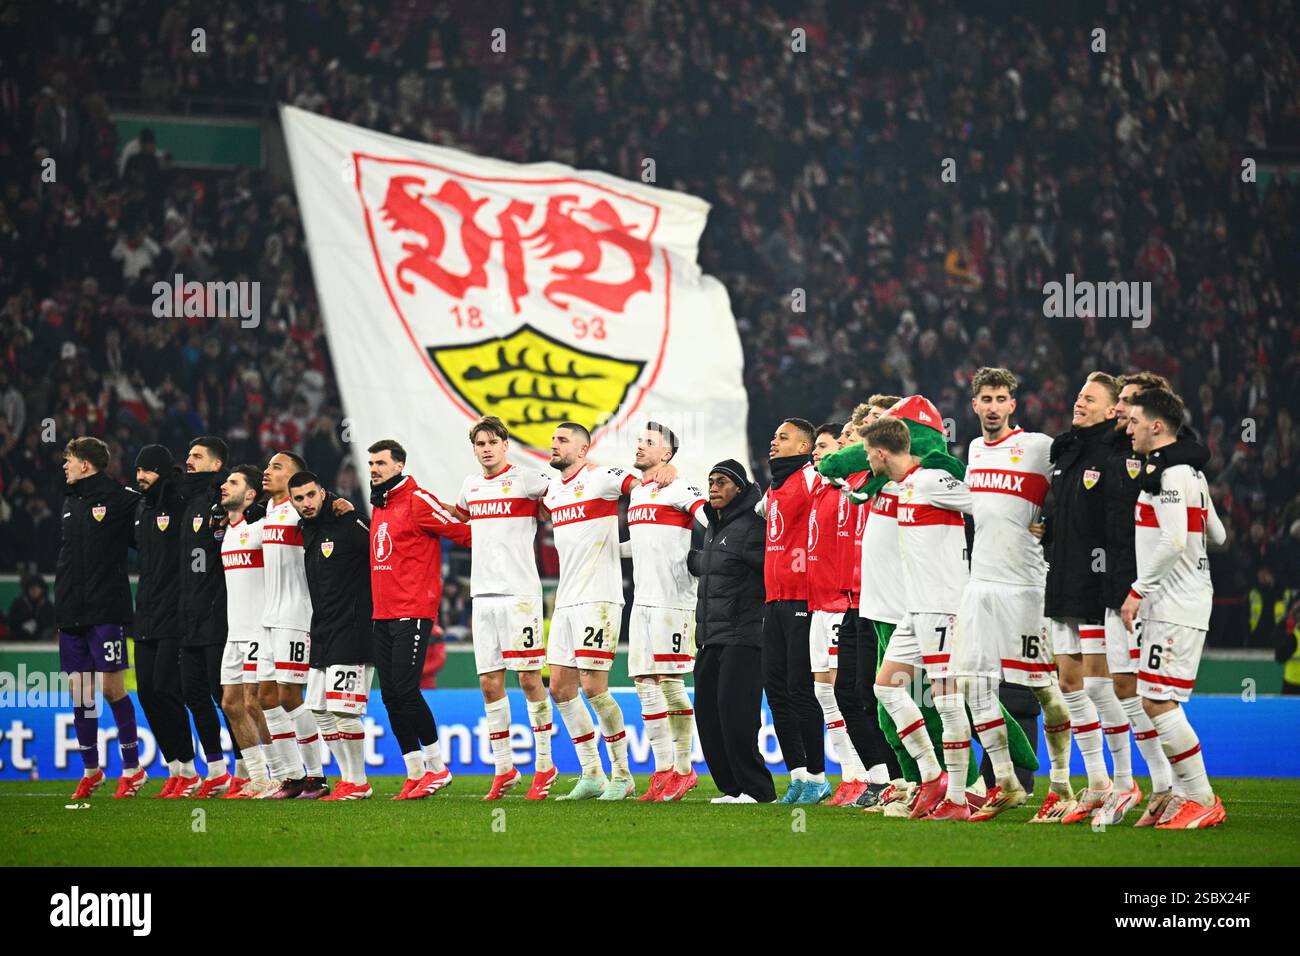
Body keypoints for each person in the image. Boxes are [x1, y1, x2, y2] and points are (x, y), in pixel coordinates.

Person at [954, 368, 1071, 820]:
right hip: (980, 583)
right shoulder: (974, 450)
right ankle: (1005, 781)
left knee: (1041, 687)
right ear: (975, 405)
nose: (993, 407)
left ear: (1012, 405)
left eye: (1001, 398)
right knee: (972, 682)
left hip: (1025, 586)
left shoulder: (1038, 447)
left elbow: (1076, 486)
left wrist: (1054, 525)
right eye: (985, 398)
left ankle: (1061, 783)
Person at [1120, 387, 1227, 828]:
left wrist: (1138, 590)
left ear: (1157, 426)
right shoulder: (1191, 475)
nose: (1128, 429)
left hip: (1173, 604)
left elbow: (1175, 539)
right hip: (1184, 599)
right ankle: (1184, 795)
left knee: (1157, 701)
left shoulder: (1171, 473)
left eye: (1135, 422)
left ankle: (1201, 797)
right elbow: (1218, 535)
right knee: (1157, 699)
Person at [863, 407, 976, 820]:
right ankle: (931, 775)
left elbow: (982, 502)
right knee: (887, 688)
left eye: (867, 452)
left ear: (880, 453)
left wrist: (1033, 525)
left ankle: (958, 798)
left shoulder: (931, 480)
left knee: (947, 701)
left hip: (943, 607)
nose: (866, 460)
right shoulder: (905, 486)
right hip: (915, 609)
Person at [1097, 372, 1193, 826]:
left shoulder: (1170, 462)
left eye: (1131, 404)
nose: (1123, 412)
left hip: (1153, 589)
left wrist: (1141, 586)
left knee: (1154, 692)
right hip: (1115, 580)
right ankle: (1162, 784)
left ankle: (1181, 788)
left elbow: (1178, 536)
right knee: (1124, 686)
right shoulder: (1114, 449)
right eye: (1121, 403)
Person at [450, 416, 558, 800]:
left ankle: (544, 766)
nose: (486, 449)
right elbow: (458, 518)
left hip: (519, 595)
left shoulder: (527, 479)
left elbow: (563, 493)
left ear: (505, 444)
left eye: (492, 442)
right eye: (480, 443)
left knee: (529, 679)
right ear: (474, 448)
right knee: (489, 683)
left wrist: (547, 510)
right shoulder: (470, 486)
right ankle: (504, 768)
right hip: (482, 596)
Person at [1040, 372, 1126, 824]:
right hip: (1063, 581)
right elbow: (1063, 512)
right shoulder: (1066, 451)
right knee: (1071, 685)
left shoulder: (1116, 454)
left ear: (1112, 409)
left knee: (1099, 685)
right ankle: (1098, 782)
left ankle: (1126, 781)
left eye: (1090, 399)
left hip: (1096, 586)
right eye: (1079, 396)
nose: (1080, 403)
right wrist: (1048, 530)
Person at [367, 439, 472, 801]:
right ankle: (414, 772)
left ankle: (438, 768)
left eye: (381, 463)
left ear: (399, 465)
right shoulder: (380, 504)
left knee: (407, 690)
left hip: (412, 610)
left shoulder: (417, 500)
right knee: (390, 696)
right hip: (382, 612)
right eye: (371, 463)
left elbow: (464, 533)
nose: (374, 469)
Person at [542, 422, 640, 800]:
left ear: (583, 450)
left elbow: (638, 486)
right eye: (553, 440)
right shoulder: (553, 490)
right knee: (560, 688)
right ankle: (592, 773)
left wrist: (665, 472)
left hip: (599, 598)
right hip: (566, 599)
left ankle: (623, 775)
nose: (554, 445)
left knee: (594, 688)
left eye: (563, 440)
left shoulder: (601, 478)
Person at [623, 422, 707, 802]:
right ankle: (662, 771)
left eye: (650, 442)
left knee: (671, 684)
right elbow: (640, 544)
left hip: (674, 601)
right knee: (645, 683)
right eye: (639, 441)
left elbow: (711, 519)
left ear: (667, 454)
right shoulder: (639, 494)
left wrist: (709, 557)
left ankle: (685, 770)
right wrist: (602, 548)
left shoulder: (681, 486)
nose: (640, 446)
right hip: (642, 601)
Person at [57, 437, 145, 799]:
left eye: (69, 459)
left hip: (107, 609)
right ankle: (91, 771)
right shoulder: (70, 502)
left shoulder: (122, 499)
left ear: (85, 464)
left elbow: (147, 538)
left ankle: (132, 769)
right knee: (80, 693)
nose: (65, 466)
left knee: (111, 689)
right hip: (71, 613)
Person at [688, 460, 775, 804]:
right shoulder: (714, 527)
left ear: (739, 488)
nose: (713, 487)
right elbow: (717, 567)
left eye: (721, 481)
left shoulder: (754, 526)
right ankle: (733, 788)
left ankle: (758, 789)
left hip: (743, 636)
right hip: (710, 637)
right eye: (710, 481)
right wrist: (693, 560)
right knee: (708, 715)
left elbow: (771, 571)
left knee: (737, 715)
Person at [291, 471, 376, 801]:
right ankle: (347, 778)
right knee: (319, 710)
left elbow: (381, 552)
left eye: (311, 495)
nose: (306, 503)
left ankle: (359, 781)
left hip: (353, 630)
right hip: (323, 631)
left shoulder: (349, 522)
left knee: (344, 711)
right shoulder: (308, 529)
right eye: (299, 498)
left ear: (323, 493)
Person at [757, 417, 827, 803]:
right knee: (777, 690)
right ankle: (798, 775)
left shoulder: (812, 477)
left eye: (782, 437)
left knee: (800, 689)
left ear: (804, 447)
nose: (774, 441)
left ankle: (818, 776)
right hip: (774, 600)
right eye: (773, 435)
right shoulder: (775, 485)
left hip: (803, 599)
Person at [806, 422, 870, 804]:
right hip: (818, 603)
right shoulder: (821, 488)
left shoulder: (853, 489)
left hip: (840, 602)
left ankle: (863, 774)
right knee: (822, 690)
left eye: (825, 446)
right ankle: (850, 775)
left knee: (841, 689)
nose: (817, 452)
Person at [259, 451, 328, 800]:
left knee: (289, 695)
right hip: (268, 617)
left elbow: (328, 512)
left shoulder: (301, 510)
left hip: (295, 615)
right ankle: (291, 775)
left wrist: (337, 503)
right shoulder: (269, 511)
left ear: (295, 478)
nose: (267, 471)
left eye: (277, 467)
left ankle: (316, 776)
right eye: (268, 465)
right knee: (266, 697)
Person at [177, 436, 243, 798]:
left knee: (225, 697)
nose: (189, 460)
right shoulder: (187, 502)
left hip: (219, 617)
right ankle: (216, 770)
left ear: (216, 464)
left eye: (196, 456)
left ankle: (246, 767)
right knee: (192, 693)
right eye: (189, 454)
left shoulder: (226, 501)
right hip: (189, 617)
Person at [132, 444, 199, 798]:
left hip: (174, 615)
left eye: (147, 470)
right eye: (137, 471)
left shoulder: (181, 501)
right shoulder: (141, 509)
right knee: (146, 692)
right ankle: (174, 767)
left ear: (162, 470)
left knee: (166, 689)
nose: (140, 477)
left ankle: (189, 769)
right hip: (145, 613)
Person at [218, 465, 278, 799]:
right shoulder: (227, 531)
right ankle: (257, 778)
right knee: (230, 704)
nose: (224, 486)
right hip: (234, 633)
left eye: (233, 482)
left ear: (251, 494)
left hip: (258, 631)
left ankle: (281, 774)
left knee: (255, 703)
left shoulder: (261, 528)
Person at [8, 574, 56, 641]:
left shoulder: (47, 605)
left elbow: (52, 624)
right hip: (20, 638)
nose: (34, 591)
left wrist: (37, 622)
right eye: (31, 588)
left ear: (42, 589)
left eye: (37, 588)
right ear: (27, 590)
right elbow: (11, 622)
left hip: (41, 640)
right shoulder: (19, 603)